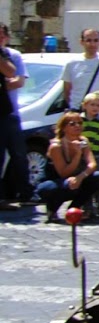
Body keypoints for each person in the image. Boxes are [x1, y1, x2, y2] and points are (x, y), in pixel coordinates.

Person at [36, 113, 99, 223]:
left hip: (74, 178)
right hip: (54, 182)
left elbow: (92, 164)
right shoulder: (56, 146)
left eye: (80, 123)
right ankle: (52, 209)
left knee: (98, 177)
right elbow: (63, 173)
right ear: (64, 128)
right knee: (66, 185)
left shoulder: (83, 141)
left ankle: (74, 209)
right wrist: (77, 155)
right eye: (72, 124)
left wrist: (80, 177)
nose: (77, 126)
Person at [0, 23, 29, 210]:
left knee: (19, 155)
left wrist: (3, 84)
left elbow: (16, 79)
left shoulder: (12, 56)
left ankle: (26, 193)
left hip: (10, 113)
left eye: (1, 36)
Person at [62, 27, 99, 107]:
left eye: (96, 40)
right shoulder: (72, 63)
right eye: (88, 40)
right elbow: (67, 91)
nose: (92, 44)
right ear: (81, 42)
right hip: (78, 114)